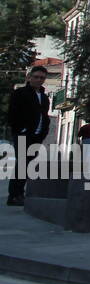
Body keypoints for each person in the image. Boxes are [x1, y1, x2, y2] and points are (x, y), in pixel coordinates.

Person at [7, 66, 51, 205]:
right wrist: (21, 129)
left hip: (37, 136)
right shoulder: (20, 93)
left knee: (28, 165)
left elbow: (44, 116)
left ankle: (19, 193)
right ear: (29, 77)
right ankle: (14, 196)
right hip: (23, 134)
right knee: (22, 164)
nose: (39, 80)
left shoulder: (44, 97)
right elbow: (12, 114)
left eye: (42, 77)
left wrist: (43, 132)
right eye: (36, 77)